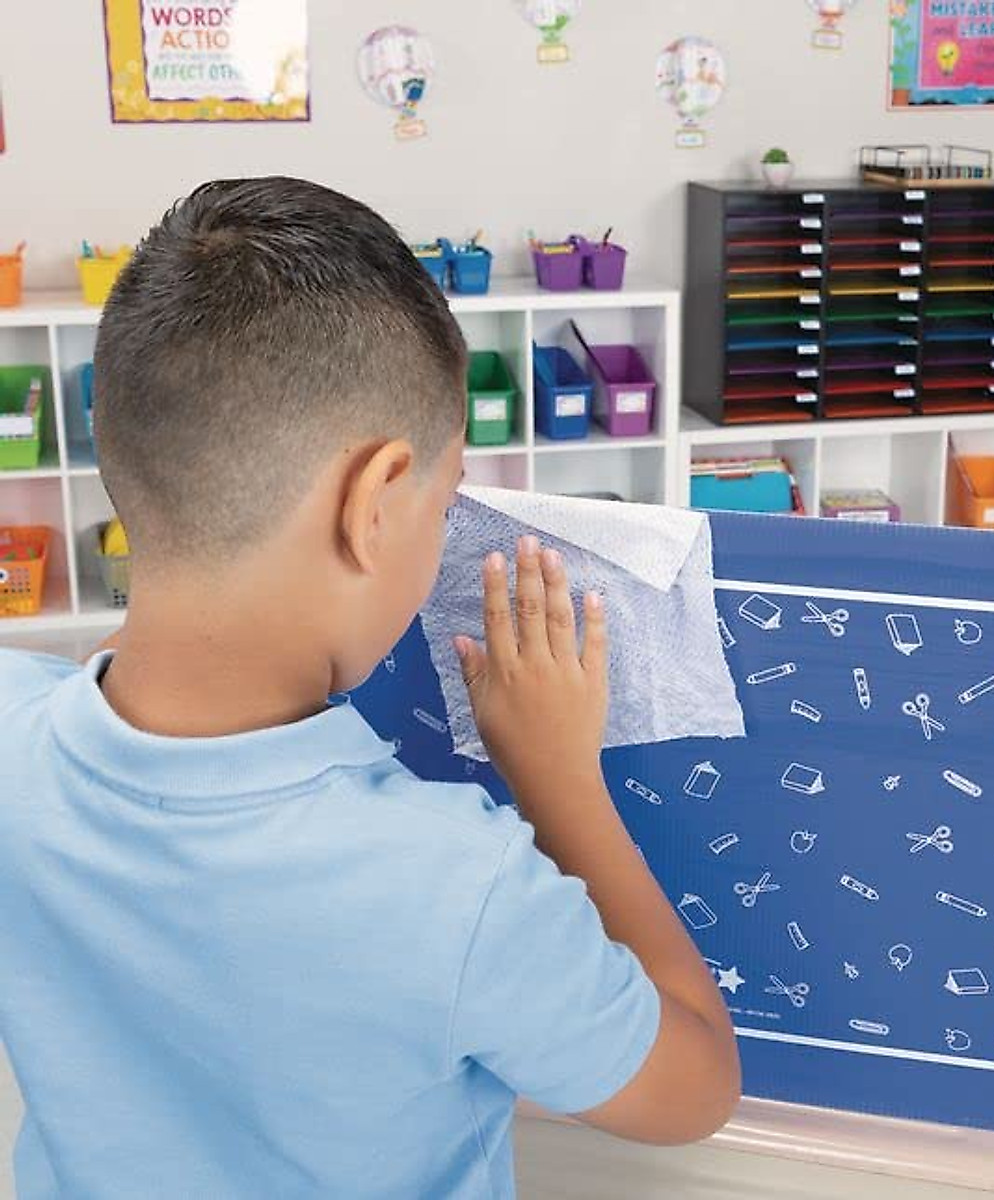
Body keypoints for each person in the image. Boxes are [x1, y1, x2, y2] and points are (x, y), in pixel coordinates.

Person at [0, 177, 739, 1199]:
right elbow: (693, 1092)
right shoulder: (462, 886)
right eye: (445, 504)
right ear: (376, 500)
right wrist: (558, 780)